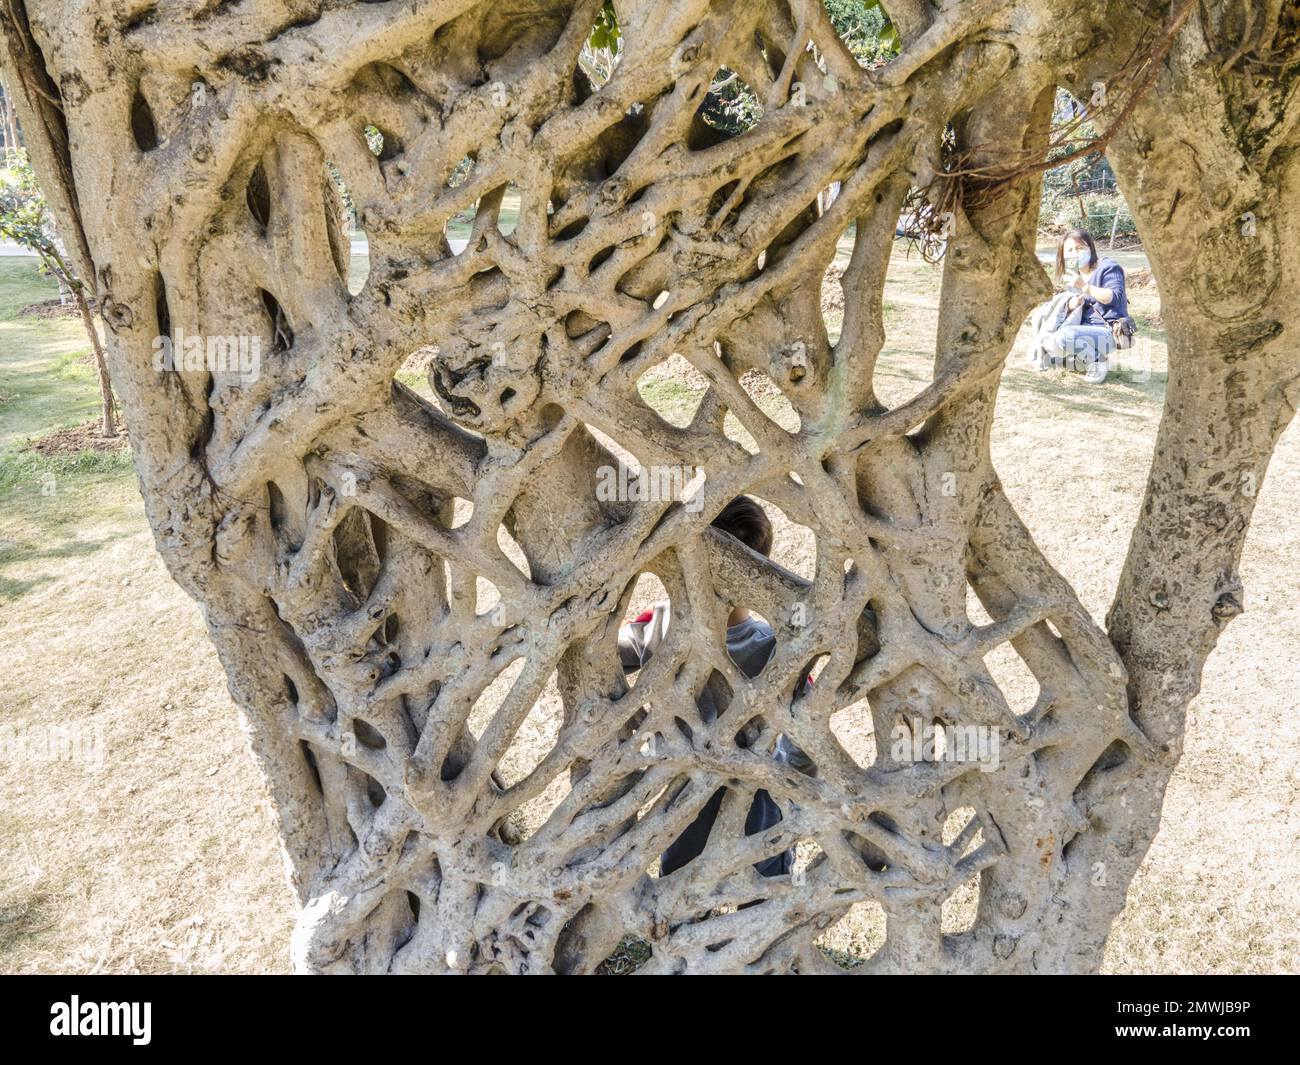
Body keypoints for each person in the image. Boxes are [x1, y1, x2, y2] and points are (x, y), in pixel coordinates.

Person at [617, 496, 813, 879]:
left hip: (680, 795)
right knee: (765, 885)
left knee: (680, 882)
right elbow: (804, 744)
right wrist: (787, 783)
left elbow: (610, 652)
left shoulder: (658, 625)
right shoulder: (777, 649)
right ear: (762, 572)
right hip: (758, 799)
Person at [1036, 228, 1130, 384]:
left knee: (1064, 336)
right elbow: (1075, 305)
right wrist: (1071, 305)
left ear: (1090, 248)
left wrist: (1086, 287)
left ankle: (1099, 362)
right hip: (1081, 331)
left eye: (1080, 248)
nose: (1075, 253)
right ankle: (1093, 361)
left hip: (1107, 331)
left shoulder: (1108, 267)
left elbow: (1113, 297)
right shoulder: (1074, 273)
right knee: (1050, 349)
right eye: (1070, 250)